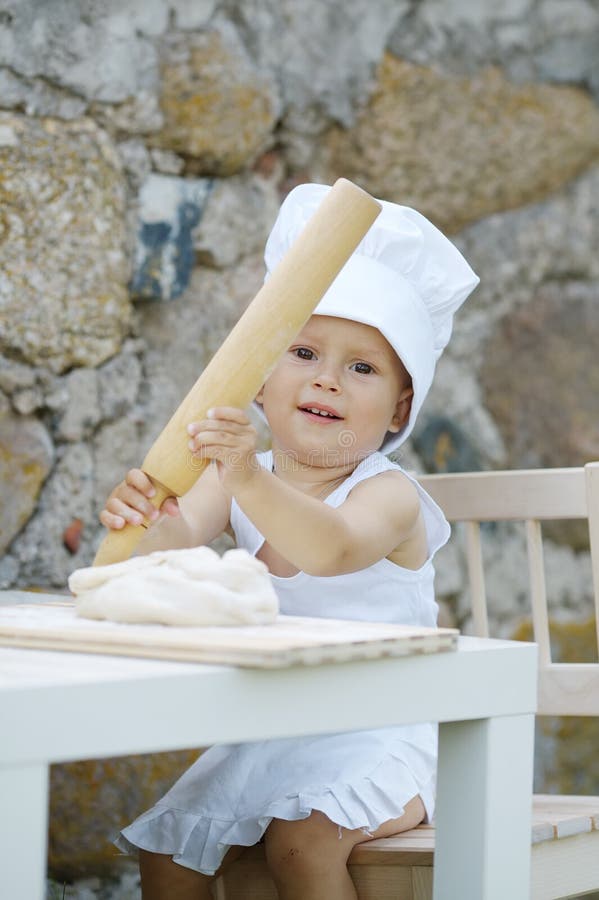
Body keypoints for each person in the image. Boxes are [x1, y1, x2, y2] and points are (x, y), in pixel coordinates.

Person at [102, 183, 479, 900]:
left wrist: (242, 475)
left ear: (400, 406)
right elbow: (178, 539)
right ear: (261, 376)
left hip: (380, 733)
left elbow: (330, 548)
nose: (326, 380)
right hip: (273, 728)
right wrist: (144, 520)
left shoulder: (386, 495)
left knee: (299, 843)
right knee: (169, 852)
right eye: (302, 351)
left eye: (361, 367)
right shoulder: (245, 475)